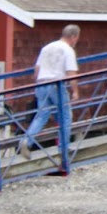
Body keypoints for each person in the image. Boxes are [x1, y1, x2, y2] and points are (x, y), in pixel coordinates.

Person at [20, 24, 80, 152]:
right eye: (77, 38)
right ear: (73, 37)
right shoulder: (68, 50)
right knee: (65, 115)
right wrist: (75, 91)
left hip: (41, 83)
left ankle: (26, 140)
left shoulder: (47, 48)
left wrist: (37, 83)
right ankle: (63, 147)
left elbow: (37, 69)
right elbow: (71, 73)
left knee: (42, 115)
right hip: (56, 84)